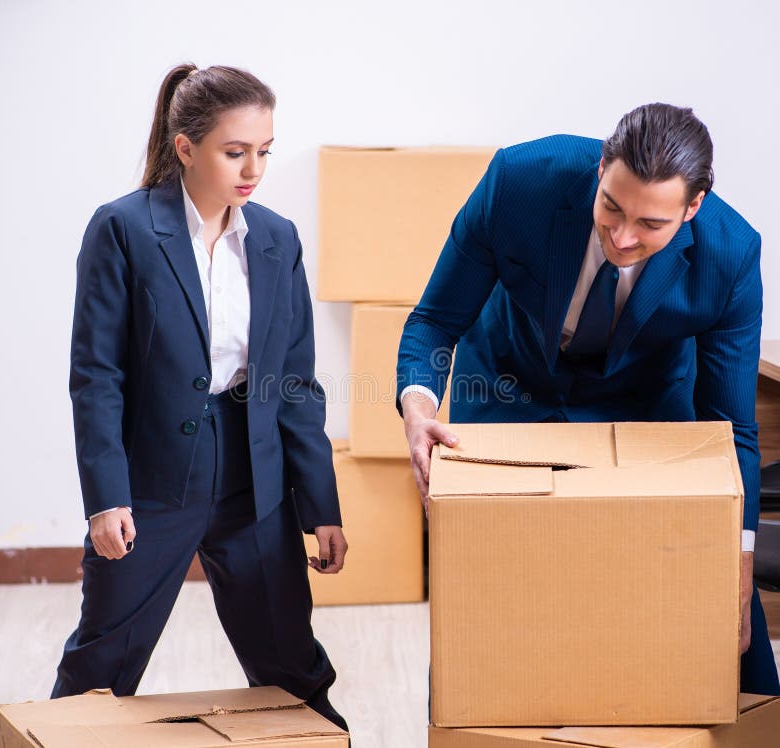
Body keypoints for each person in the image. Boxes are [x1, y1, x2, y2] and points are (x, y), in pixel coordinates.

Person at [396, 103, 780, 696]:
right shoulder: (519, 181)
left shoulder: (728, 254)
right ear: (601, 169)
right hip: (509, 385)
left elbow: (732, 429)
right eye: (611, 208)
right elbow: (435, 320)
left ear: (693, 207)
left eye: (650, 224)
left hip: (642, 401)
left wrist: (739, 559)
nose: (623, 238)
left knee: (723, 594)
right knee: (482, 598)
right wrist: (419, 408)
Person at [51, 63, 348, 732]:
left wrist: (320, 506)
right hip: (151, 485)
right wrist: (106, 498)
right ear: (185, 147)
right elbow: (96, 374)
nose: (254, 169)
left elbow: (294, 383)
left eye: (264, 150)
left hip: (254, 480)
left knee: (293, 667)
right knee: (100, 670)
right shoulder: (123, 228)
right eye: (235, 151)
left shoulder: (276, 238)